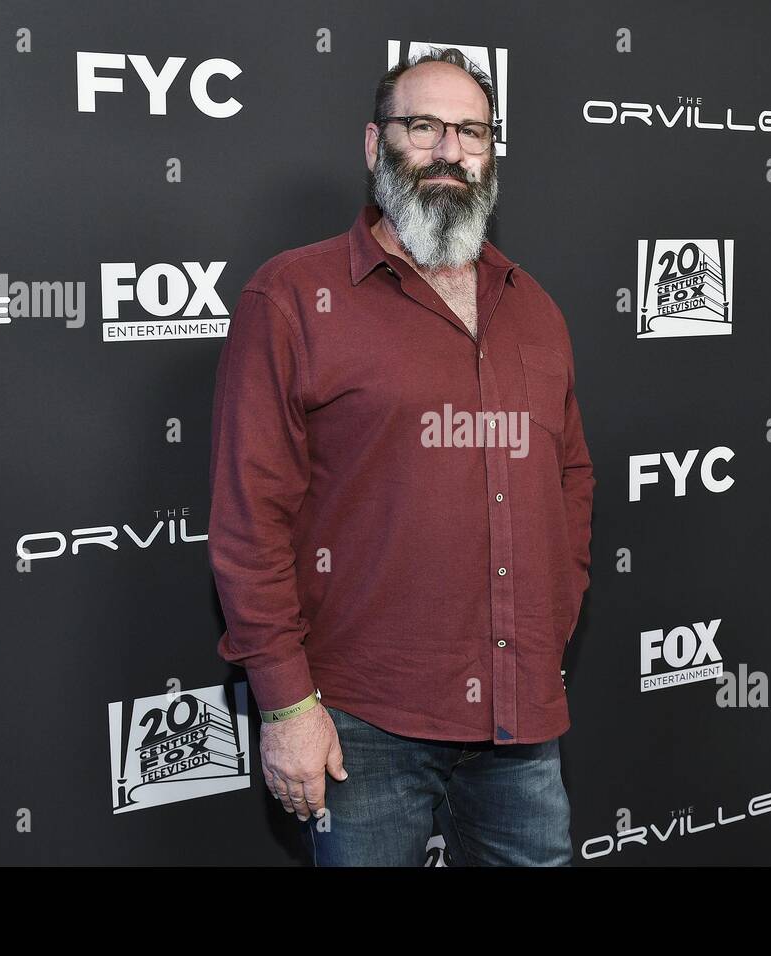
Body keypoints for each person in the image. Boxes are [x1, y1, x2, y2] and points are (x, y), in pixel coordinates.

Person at [207, 46, 595, 866]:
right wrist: (285, 708)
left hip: (520, 720)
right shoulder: (290, 298)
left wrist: (557, 608)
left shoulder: (535, 307)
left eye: (472, 132)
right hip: (358, 724)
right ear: (375, 142)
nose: (450, 152)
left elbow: (571, 476)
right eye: (424, 126)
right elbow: (250, 519)